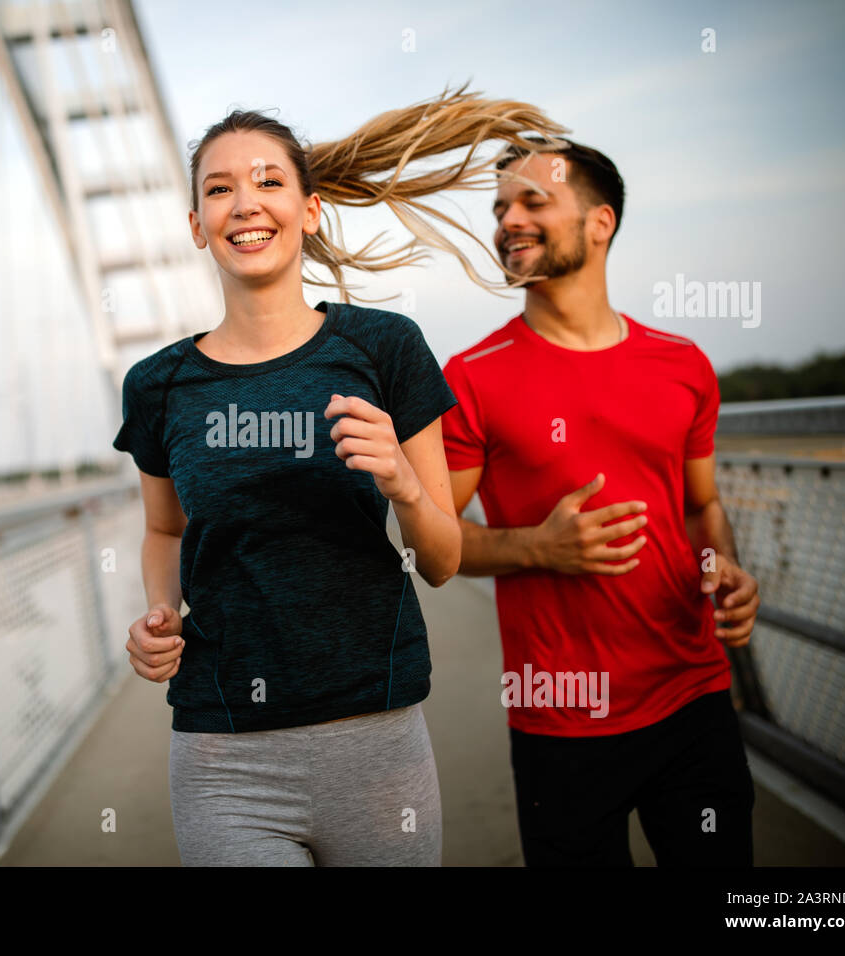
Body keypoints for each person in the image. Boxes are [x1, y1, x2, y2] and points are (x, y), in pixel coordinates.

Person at [112, 85, 566, 866]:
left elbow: (443, 560)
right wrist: (159, 611)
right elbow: (163, 528)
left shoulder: (385, 348)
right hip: (224, 758)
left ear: (310, 209)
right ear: (196, 227)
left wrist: (403, 483)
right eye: (219, 189)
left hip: (377, 745)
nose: (244, 203)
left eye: (267, 181)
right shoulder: (157, 384)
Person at [441, 137, 762, 866]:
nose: (508, 220)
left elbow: (699, 509)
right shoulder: (471, 376)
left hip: (695, 700)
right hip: (561, 723)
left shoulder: (683, 365)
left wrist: (724, 570)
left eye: (532, 201)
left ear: (600, 222)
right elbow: (433, 544)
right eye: (500, 208)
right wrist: (535, 546)